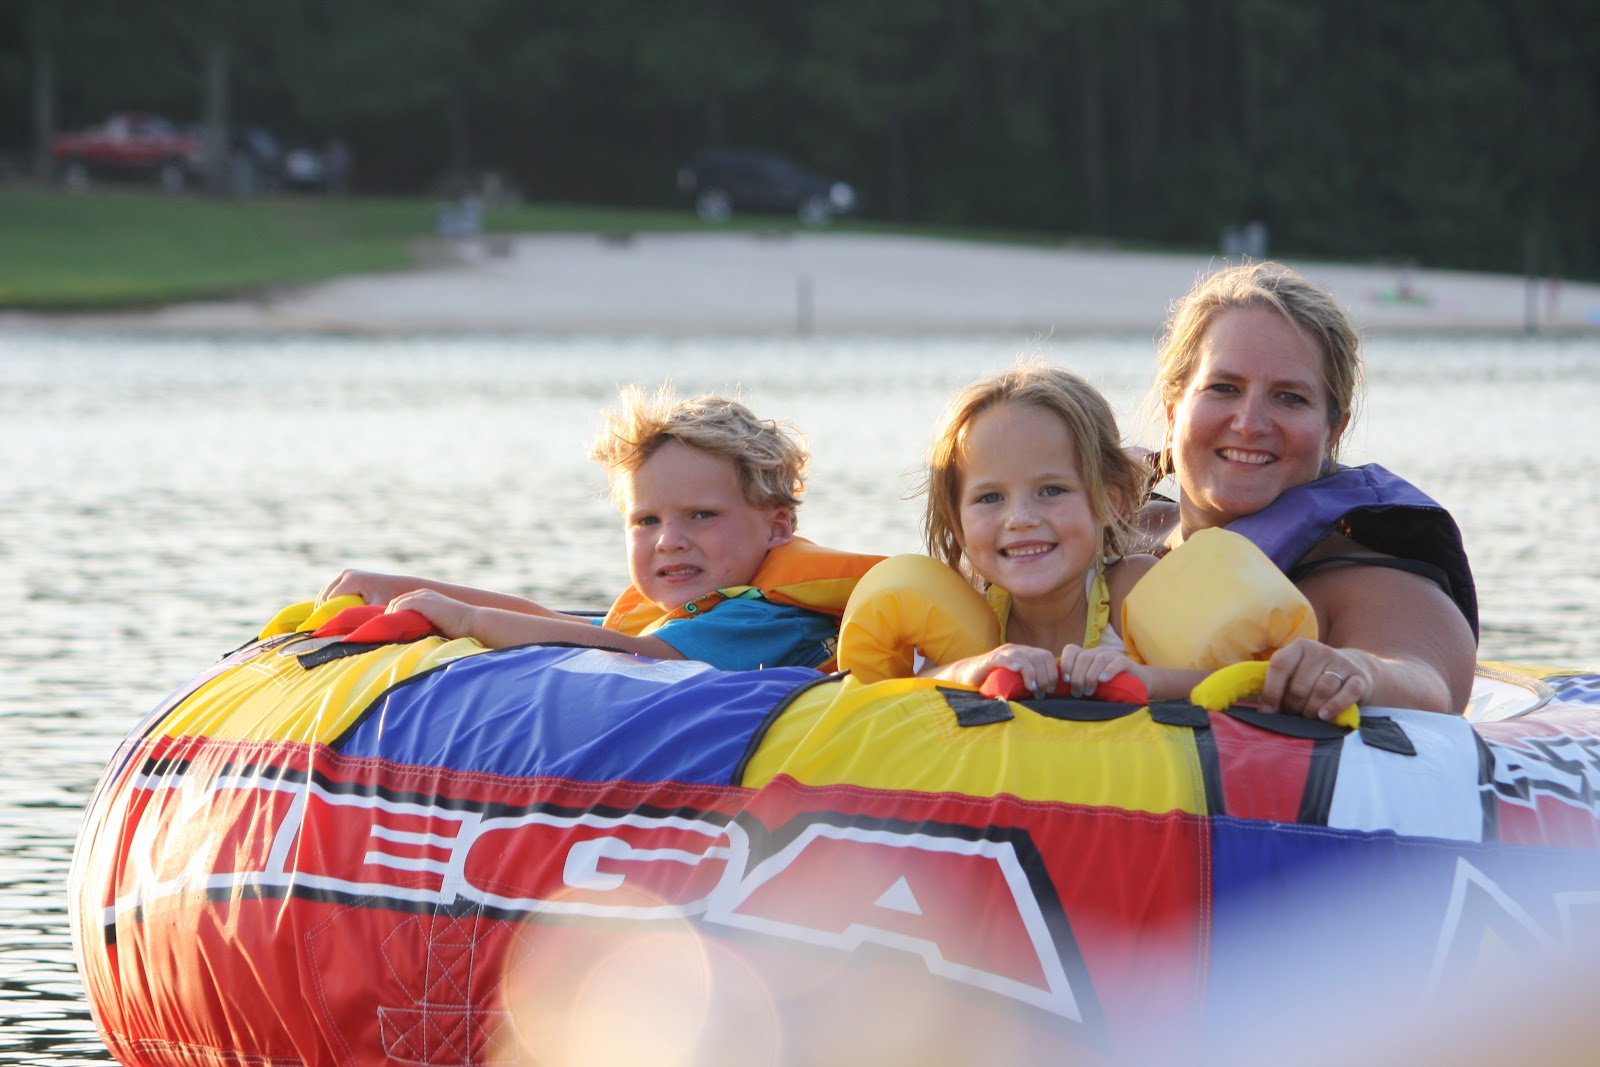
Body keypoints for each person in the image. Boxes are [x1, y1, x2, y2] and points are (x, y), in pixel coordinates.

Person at [319, 386, 884, 672]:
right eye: (646, 521)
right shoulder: (694, 604)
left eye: (702, 515)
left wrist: (466, 621)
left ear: (777, 526)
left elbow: (630, 655)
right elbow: (554, 621)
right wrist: (403, 589)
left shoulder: (764, 617)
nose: (670, 540)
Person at [1135, 260, 1478, 719]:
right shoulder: (1101, 536)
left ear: (1333, 430)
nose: (1250, 423)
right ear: (1174, 409)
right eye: (1223, 387)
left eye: (1289, 397)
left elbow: (1426, 681)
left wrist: (1356, 671)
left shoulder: (1374, 586)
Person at [841, 362, 1208, 702]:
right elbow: (888, 696)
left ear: (1109, 503)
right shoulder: (961, 605)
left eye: (1052, 490)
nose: (1020, 518)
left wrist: (1147, 678)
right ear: (958, 523)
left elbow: (1230, 682)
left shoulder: (1130, 590)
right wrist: (970, 671)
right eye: (990, 497)